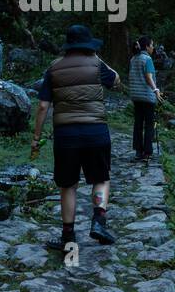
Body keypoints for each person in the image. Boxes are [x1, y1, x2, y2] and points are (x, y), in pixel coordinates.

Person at [30, 24, 120, 250]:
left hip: (66, 135)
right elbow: (116, 81)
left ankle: (68, 237)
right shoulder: (97, 64)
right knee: (100, 178)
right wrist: (97, 57)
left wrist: (36, 138)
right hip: (96, 132)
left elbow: (42, 106)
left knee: (68, 185)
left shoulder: (53, 68)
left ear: (67, 45)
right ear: (88, 45)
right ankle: (98, 220)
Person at [128, 35, 164, 161]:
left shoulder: (133, 59)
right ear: (147, 46)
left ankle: (138, 150)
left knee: (138, 123)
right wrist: (156, 90)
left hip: (136, 96)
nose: (153, 47)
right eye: (152, 45)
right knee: (149, 124)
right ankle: (147, 152)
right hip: (147, 97)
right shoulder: (147, 59)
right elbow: (149, 77)